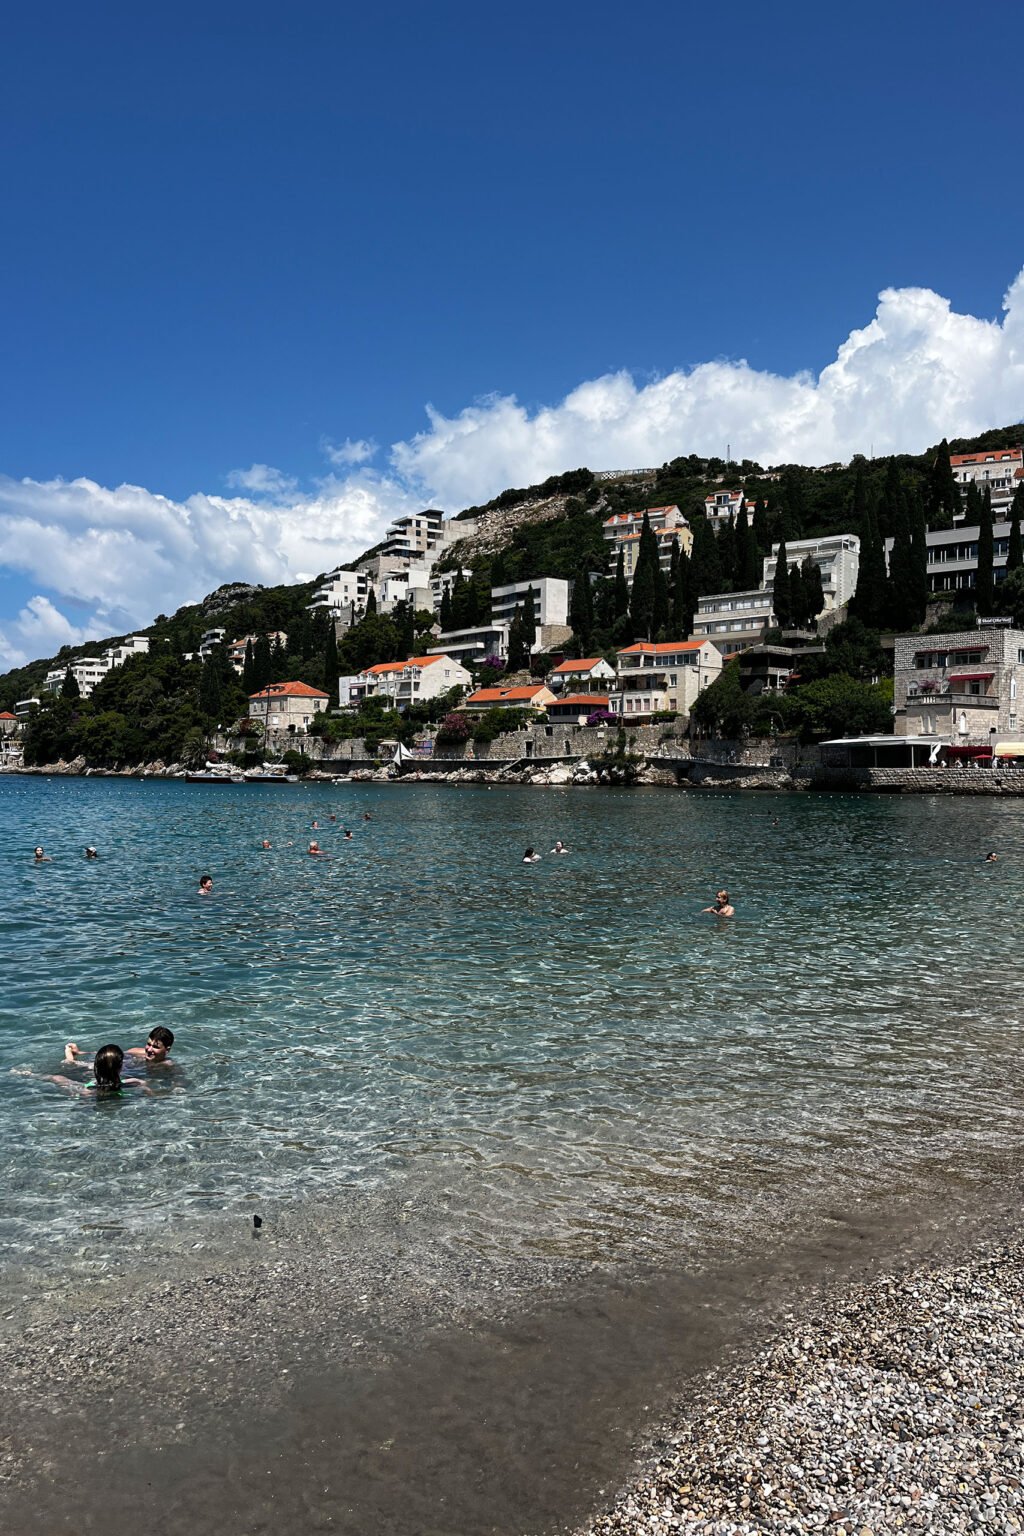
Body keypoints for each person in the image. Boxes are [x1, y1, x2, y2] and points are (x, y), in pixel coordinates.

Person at [47, 1044, 143, 1097]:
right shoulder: (135, 1082)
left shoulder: (87, 1091)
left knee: (57, 1078)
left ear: (95, 1068)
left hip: (92, 1092)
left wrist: (69, 1053)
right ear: (121, 1068)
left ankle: (31, 1074)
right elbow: (142, 1083)